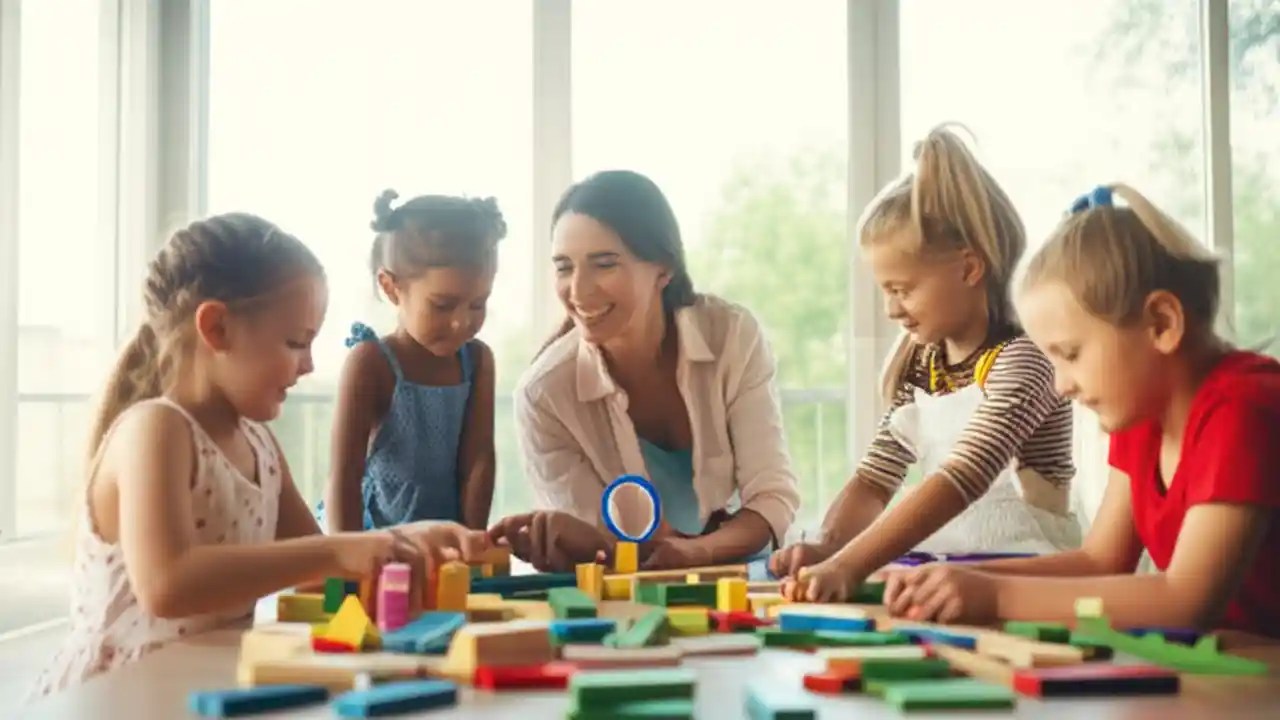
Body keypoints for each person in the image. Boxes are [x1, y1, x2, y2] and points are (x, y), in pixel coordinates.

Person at [27, 214, 486, 700]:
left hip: (202, 686)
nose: (308, 364)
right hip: (118, 696)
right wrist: (338, 549)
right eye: (295, 343)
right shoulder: (156, 428)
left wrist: (402, 540)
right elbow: (166, 585)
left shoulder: (259, 444)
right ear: (217, 327)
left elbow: (320, 569)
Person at [882, 184, 1280, 637]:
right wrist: (952, 580)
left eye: (1070, 354)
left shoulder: (1243, 409)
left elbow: (1184, 600)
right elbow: (1101, 561)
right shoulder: (1144, 412)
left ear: (1162, 324)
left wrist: (993, 595)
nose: (1060, 384)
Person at [774, 126, 1079, 601]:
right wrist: (827, 548)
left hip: (1031, 581)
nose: (891, 309)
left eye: (902, 289)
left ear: (969, 269)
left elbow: (966, 474)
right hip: (946, 579)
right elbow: (876, 479)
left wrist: (850, 564)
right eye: (885, 291)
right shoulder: (923, 366)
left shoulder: (1027, 359)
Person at [491, 170, 801, 571]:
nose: (579, 291)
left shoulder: (732, 335)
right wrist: (570, 543)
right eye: (564, 267)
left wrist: (698, 552)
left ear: (664, 269)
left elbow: (772, 498)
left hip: (746, 573)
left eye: (604, 264)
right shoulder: (544, 395)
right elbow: (597, 542)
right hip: (634, 582)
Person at [323, 190, 505, 531]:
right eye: (443, 305)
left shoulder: (478, 360)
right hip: (374, 542)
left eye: (477, 304)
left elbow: (479, 460)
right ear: (391, 288)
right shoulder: (370, 363)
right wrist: (347, 558)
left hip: (446, 545)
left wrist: (471, 541)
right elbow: (343, 475)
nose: (462, 322)